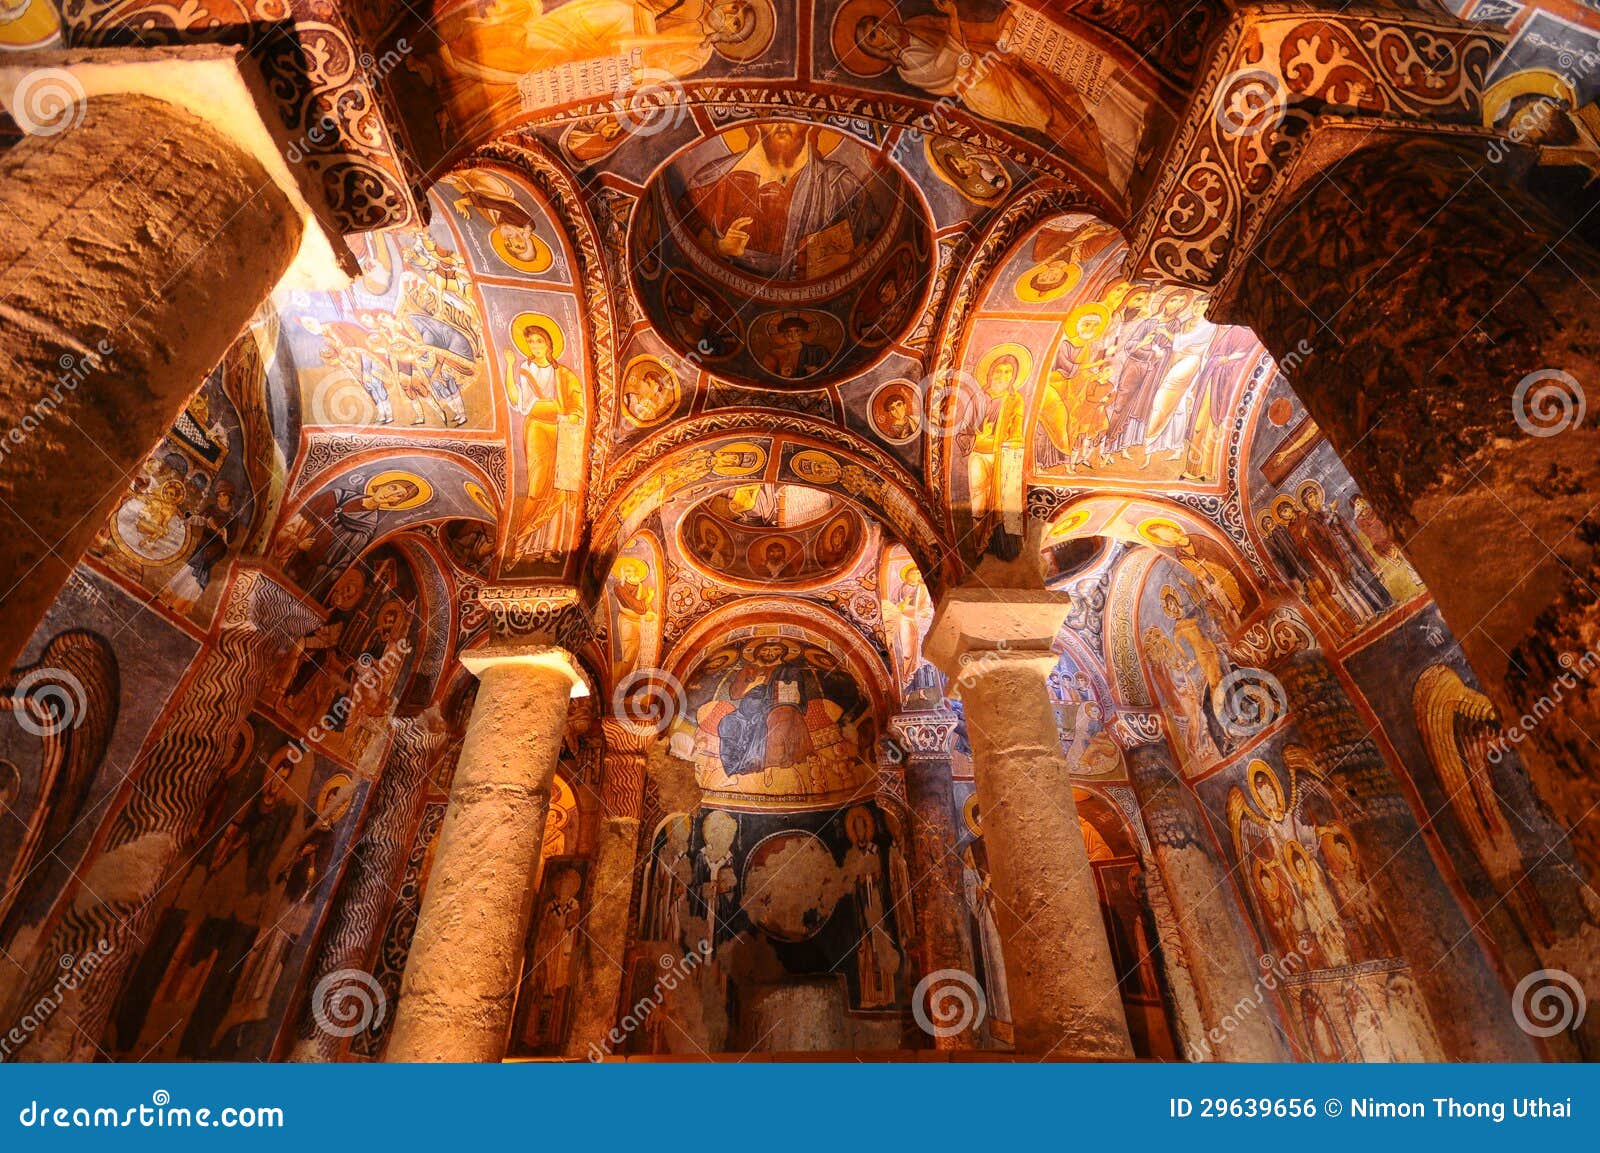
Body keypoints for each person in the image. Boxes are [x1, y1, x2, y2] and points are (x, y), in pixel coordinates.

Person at [681, 121, 867, 279]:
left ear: (810, 124)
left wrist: (847, 259)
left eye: (793, 114)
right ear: (758, 123)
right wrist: (719, 246)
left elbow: (870, 235)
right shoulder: (715, 177)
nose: (783, 123)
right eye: (773, 114)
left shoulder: (839, 182)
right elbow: (685, 220)